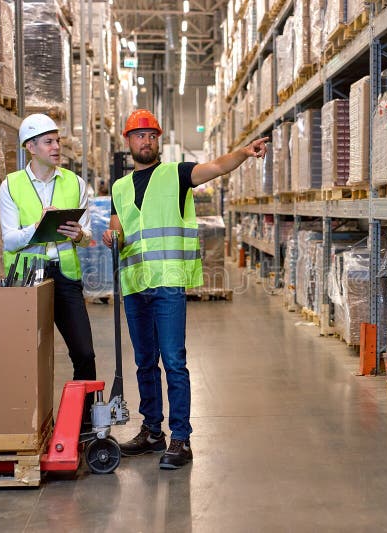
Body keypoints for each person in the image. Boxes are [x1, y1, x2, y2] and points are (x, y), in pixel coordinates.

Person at [102, 109, 267, 469]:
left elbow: (217, 167)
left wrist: (243, 152)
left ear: (157, 140)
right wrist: (111, 236)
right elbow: (118, 229)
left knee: (174, 361)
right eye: (139, 135)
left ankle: (181, 437)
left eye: (151, 135)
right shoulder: (119, 187)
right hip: (135, 284)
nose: (146, 140)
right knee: (145, 362)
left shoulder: (176, 174)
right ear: (128, 141)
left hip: (169, 284)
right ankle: (151, 431)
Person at [0, 113, 96, 424]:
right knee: (27, 357)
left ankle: (84, 425)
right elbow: (11, 240)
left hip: (66, 277)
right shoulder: (11, 186)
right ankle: (28, 424)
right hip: (29, 280)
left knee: (84, 354)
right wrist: (37, 227)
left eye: (58, 141)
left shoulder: (76, 183)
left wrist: (80, 235)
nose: (57, 147)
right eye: (48, 142)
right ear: (30, 146)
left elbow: (88, 235)